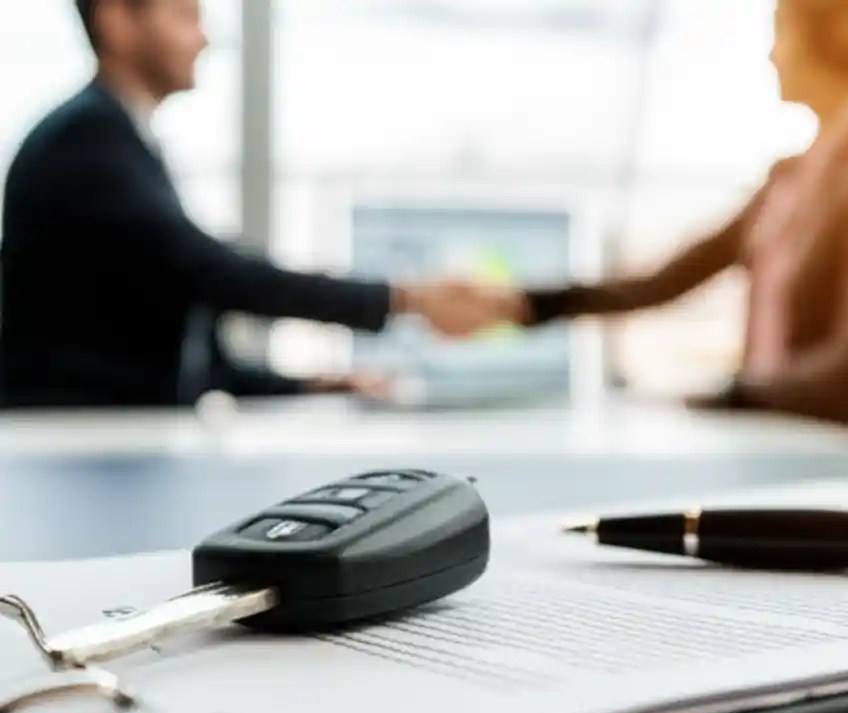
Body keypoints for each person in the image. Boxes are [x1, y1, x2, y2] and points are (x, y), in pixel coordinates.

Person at [464, 0, 848, 451]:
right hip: (795, 446)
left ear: (836, 39)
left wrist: (735, 396)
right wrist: (523, 304)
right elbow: (665, 282)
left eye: (782, 34)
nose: (771, 55)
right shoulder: (789, 181)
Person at [0, 0, 488, 408]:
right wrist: (404, 300)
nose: (203, 39)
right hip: (68, 457)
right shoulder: (86, 140)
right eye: (184, 16)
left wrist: (306, 385)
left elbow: (176, 347)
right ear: (117, 21)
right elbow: (211, 272)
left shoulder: (121, 139)